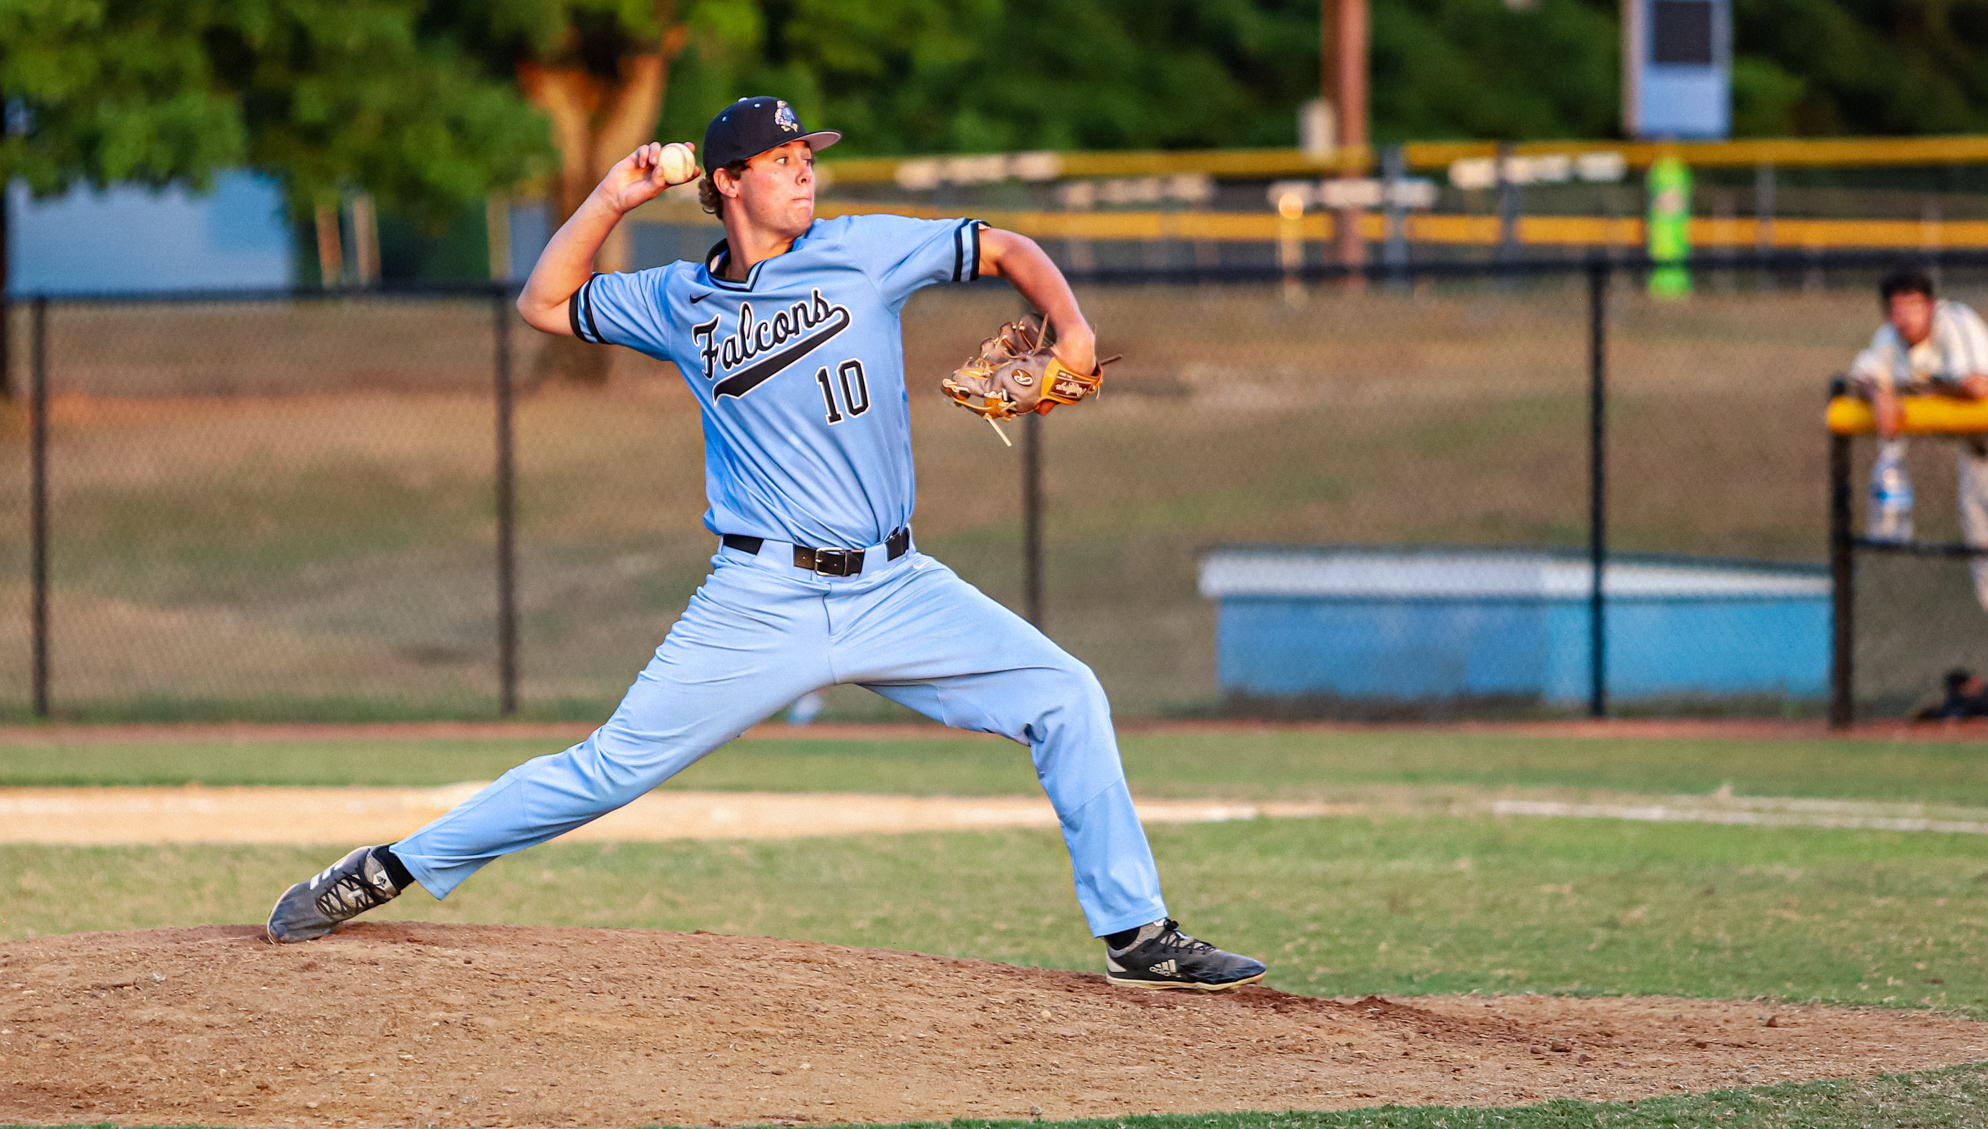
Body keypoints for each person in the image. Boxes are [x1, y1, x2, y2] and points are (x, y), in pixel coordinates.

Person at [264, 96, 1267, 992]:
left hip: (897, 587)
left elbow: (1003, 246)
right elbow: (542, 304)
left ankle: (1136, 935)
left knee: (1067, 694)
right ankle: (386, 867)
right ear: (730, 181)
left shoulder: (864, 249)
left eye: (806, 156)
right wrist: (612, 197)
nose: (804, 171)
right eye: (783, 159)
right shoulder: (675, 301)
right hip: (759, 600)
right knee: (607, 769)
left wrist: (1072, 330)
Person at [1851, 265, 1988, 718]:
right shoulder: (1890, 341)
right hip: (1974, 462)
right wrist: (1879, 392)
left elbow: (1978, 386)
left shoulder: (1954, 322)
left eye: (1913, 306)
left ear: (1930, 306)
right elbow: (1860, 374)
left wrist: (1916, 392)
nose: (1905, 317)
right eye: (1896, 308)